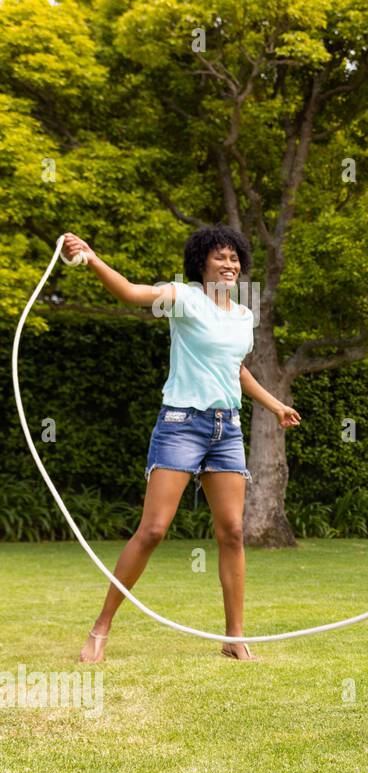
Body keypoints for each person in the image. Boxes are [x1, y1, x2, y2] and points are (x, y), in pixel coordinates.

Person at [61, 226, 301, 664]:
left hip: (225, 430)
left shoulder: (243, 316)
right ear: (201, 263)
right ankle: (101, 628)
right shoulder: (184, 298)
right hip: (180, 424)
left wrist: (275, 405)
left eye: (234, 258)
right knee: (152, 530)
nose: (229, 265)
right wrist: (93, 259)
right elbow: (133, 294)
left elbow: (237, 370)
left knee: (231, 532)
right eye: (219, 257)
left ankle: (234, 637)